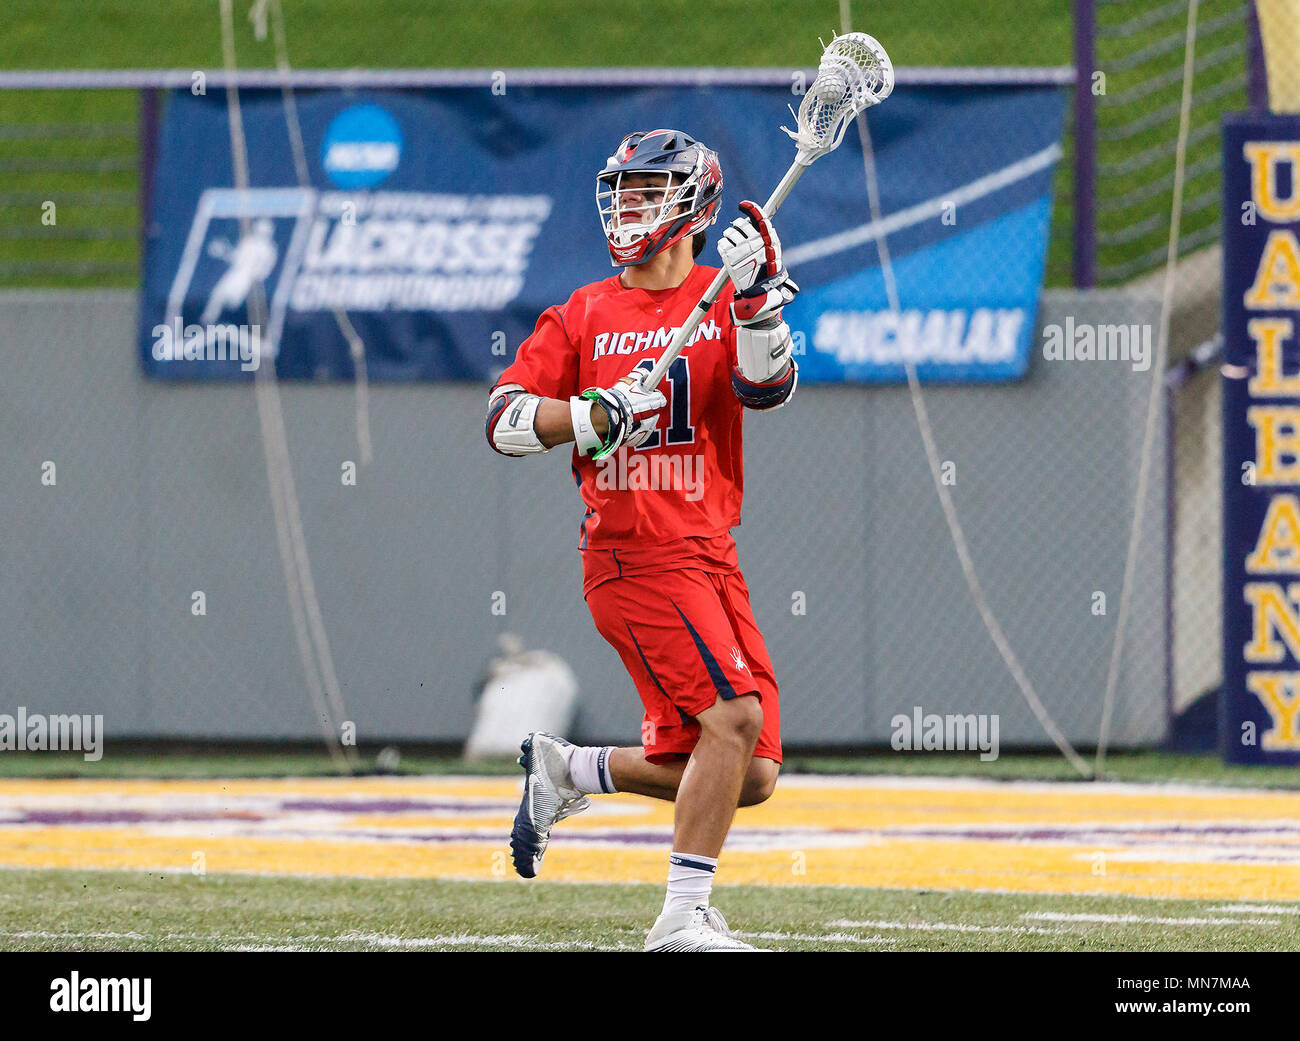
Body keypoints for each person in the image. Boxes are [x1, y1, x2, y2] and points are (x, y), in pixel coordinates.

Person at [484, 128, 799, 952]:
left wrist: (759, 297)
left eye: (649, 190)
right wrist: (585, 415)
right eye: (623, 191)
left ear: (693, 202)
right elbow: (502, 419)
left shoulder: (720, 295)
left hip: (710, 551)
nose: (629, 206)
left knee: (752, 770)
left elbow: (768, 388)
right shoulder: (583, 312)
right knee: (731, 721)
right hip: (634, 553)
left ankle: (567, 769)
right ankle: (679, 919)